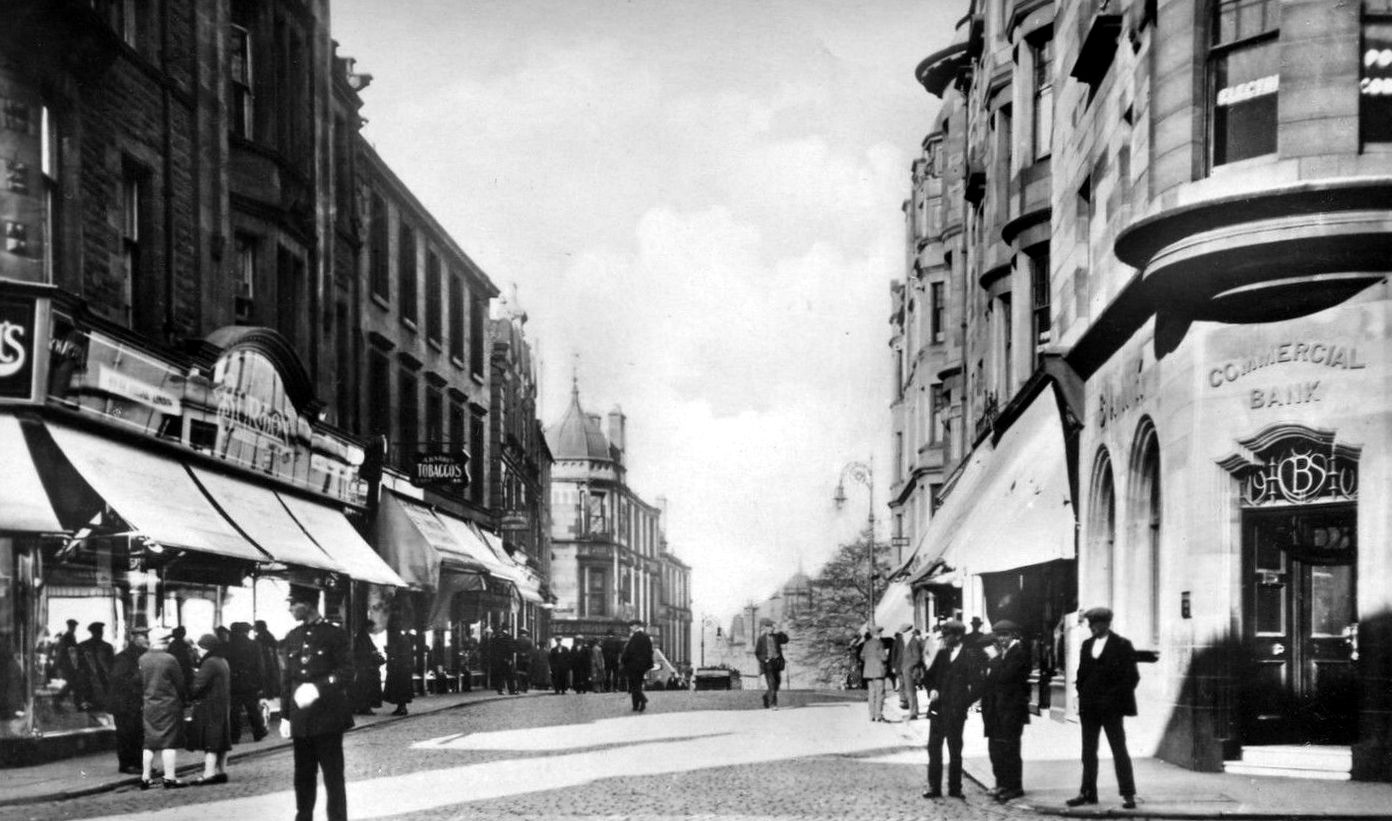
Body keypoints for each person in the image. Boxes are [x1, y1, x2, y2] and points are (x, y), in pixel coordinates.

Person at [282, 584, 354, 821]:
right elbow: (288, 679)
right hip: (301, 720)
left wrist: (318, 688)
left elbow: (347, 671)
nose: (290, 609)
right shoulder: (292, 636)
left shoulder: (334, 634)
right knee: (303, 776)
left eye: (294, 604)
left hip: (328, 717)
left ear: (308, 604)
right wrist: (285, 716)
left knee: (333, 776)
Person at [1067, 607, 1140, 810]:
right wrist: (1081, 693)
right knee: (1088, 752)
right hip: (1089, 708)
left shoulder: (1122, 645)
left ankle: (1128, 794)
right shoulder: (1087, 645)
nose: (1091, 627)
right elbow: (1081, 674)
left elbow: (1132, 677)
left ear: (1106, 623)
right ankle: (1087, 792)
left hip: (1111, 709)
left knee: (1119, 749)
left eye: (1095, 624)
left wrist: (1113, 698)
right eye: (1090, 624)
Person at [921, 620, 980, 799]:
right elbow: (928, 677)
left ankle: (955, 788)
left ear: (958, 636)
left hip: (956, 712)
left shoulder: (969, 656)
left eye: (947, 636)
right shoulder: (942, 654)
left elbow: (978, 685)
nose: (944, 639)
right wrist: (932, 689)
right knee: (934, 748)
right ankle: (934, 787)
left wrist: (964, 702)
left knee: (955, 750)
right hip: (937, 710)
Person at [981, 619, 1031, 802]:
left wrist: (994, 659)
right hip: (995, 710)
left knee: (1010, 750)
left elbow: (1006, 677)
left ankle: (1014, 787)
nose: (1002, 639)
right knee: (996, 749)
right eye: (999, 635)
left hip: (1012, 710)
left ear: (1013, 635)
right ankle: (1001, 783)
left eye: (1005, 635)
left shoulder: (1019, 654)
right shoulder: (1000, 655)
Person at [138, 629, 188, 789]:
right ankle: (169, 777)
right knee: (169, 743)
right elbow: (180, 683)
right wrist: (184, 700)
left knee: (149, 743)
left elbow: (138, 682)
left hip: (149, 705)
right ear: (163, 642)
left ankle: (145, 777)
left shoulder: (143, 659)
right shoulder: (169, 659)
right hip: (168, 706)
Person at [185, 633, 233, 785]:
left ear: (207, 648)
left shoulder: (210, 662)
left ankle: (209, 774)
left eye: (201, 648)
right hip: (222, 705)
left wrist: (189, 694)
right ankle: (221, 772)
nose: (199, 651)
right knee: (221, 740)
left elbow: (198, 685)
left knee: (210, 741)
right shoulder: (222, 660)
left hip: (210, 706)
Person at [109, 627, 148, 774]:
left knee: (137, 733)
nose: (146, 639)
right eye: (143, 636)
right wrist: (138, 679)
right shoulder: (124, 657)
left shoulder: (140, 655)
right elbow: (118, 679)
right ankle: (127, 765)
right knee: (126, 734)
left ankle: (138, 763)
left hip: (133, 702)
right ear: (134, 638)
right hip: (124, 704)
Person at [226, 622, 268, 742]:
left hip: (234, 682)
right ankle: (259, 732)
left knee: (234, 710)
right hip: (250, 682)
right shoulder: (254, 644)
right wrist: (260, 683)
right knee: (253, 708)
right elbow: (260, 665)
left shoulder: (229, 645)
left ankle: (234, 736)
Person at [753, 619, 789, 709]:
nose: (770, 629)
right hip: (768, 663)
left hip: (777, 662)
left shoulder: (777, 637)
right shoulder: (761, 639)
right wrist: (764, 659)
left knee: (777, 683)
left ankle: (766, 696)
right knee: (772, 683)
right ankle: (774, 704)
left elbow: (786, 640)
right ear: (765, 629)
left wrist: (780, 631)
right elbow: (757, 652)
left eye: (772, 628)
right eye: (768, 628)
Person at [78, 622, 115, 711]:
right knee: (89, 694)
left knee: (104, 692)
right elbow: (79, 662)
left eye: (101, 632)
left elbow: (111, 662)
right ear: (93, 632)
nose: (100, 634)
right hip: (89, 675)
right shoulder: (84, 645)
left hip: (102, 675)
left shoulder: (107, 646)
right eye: (98, 632)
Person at [619, 619, 653, 712]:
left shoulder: (635, 637)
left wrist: (623, 660)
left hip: (633, 665)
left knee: (633, 685)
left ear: (636, 626)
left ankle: (642, 700)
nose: (630, 628)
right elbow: (650, 652)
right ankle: (638, 705)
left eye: (632, 626)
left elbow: (629, 652)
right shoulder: (646, 637)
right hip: (642, 666)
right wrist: (647, 664)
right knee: (638, 684)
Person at [351, 624, 384, 716]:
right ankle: (366, 707)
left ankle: (361, 707)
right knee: (367, 688)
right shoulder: (363, 638)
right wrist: (373, 653)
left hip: (364, 667)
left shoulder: (362, 637)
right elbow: (364, 652)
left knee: (362, 688)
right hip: (367, 668)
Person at [384, 621, 414, 715]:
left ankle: (402, 708)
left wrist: (389, 652)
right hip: (402, 668)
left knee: (401, 688)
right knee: (400, 689)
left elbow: (402, 654)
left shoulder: (401, 640)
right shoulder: (402, 639)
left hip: (401, 668)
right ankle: (401, 707)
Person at [860, 625, 889, 721]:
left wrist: (869, 661)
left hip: (868, 672)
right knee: (880, 693)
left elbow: (862, 656)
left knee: (871, 693)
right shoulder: (879, 643)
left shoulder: (867, 643)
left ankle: (871, 715)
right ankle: (878, 715)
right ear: (878, 634)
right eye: (880, 633)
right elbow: (884, 657)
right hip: (878, 672)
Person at [896, 623, 924, 719]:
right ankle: (913, 711)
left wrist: (908, 667)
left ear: (908, 632)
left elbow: (917, 657)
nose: (902, 635)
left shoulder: (913, 642)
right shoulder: (907, 642)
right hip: (905, 670)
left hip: (910, 671)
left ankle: (913, 713)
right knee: (908, 691)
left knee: (910, 692)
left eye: (903, 633)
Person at [52, 619, 80, 709]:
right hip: (68, 664)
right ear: (70, 627)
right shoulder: (68, 636)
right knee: (72, 683)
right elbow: (71, 652)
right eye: (73, 626)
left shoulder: (69, 636)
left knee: (73, 683)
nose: (74, 628)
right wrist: (75, 665)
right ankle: (58, 700)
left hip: (67, 664)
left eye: (74, 627)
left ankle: (59, 700)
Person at [254, 620, 282, 703]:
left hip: (267, 661)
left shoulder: (264, 636)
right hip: (268, 661)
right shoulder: (265, 635)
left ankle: (269, 695)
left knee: (268, 678)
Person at [167, 626, 196, 691]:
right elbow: (189, 659)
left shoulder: (172, 645)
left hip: (175, 669)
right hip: (184, 669)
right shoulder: (184, 645)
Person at [489, 628, 516, 695]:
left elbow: (492, 648)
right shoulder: (508, 637)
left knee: (500, 675)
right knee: (509, 675)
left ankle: (500, 690)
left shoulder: (496, 637)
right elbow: (511, 649)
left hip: (498, 659)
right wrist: (510, 659)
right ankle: (511, 690)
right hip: (506, 659)